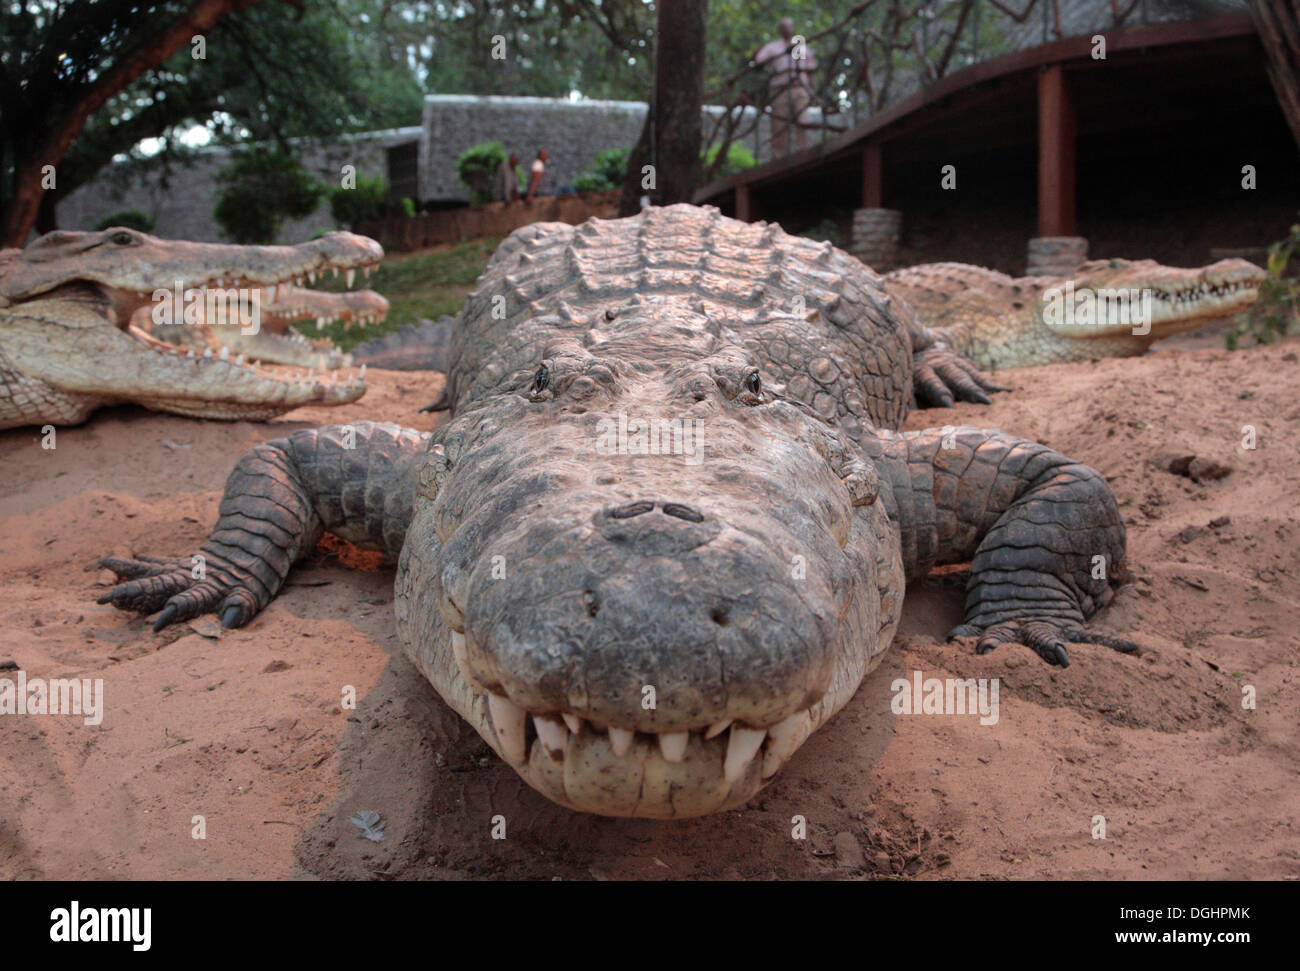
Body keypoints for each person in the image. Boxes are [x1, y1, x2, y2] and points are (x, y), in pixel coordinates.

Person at [754, 17, 818, 156]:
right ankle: (779, 157)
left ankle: (805, 154)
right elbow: (759, 61)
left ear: (793, 27)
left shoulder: (798, 44)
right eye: (783, 26)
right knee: (779, 125)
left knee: (803, 121)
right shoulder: (773, 47)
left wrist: (812, 90)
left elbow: (807, 67)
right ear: (779, 30)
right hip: (780, 90)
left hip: (799, 88)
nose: (786, 29)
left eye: (788, 26)